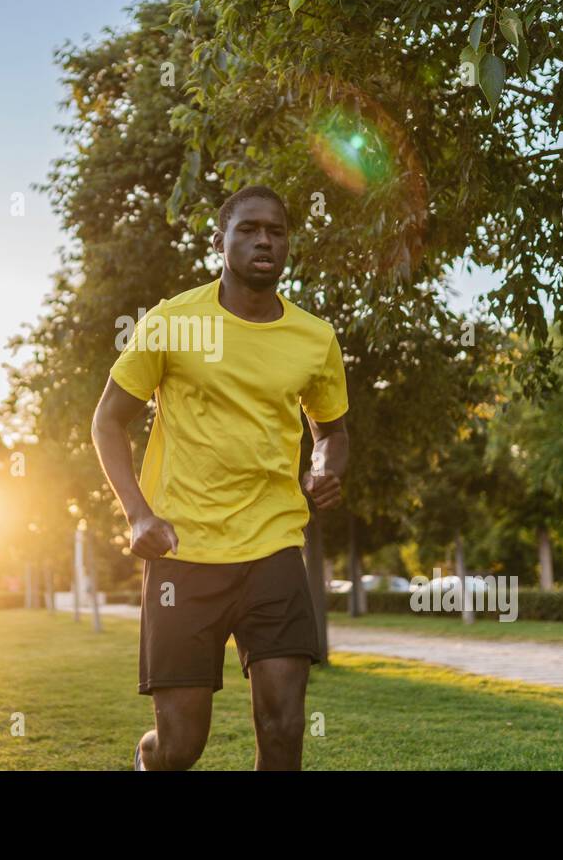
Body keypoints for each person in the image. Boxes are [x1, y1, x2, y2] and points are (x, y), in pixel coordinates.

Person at [90, 184, 349, 771]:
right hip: (183, 551)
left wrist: (325, 467)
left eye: (277, 231)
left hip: (274, 546)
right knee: (181, 745)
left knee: (283, 727)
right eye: (249, 229)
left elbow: (332, 429)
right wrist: (138, 514)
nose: (265, 239)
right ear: (220, 241)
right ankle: (146, 758)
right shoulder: (172, 323)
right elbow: (108, 421)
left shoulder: (315, 337)